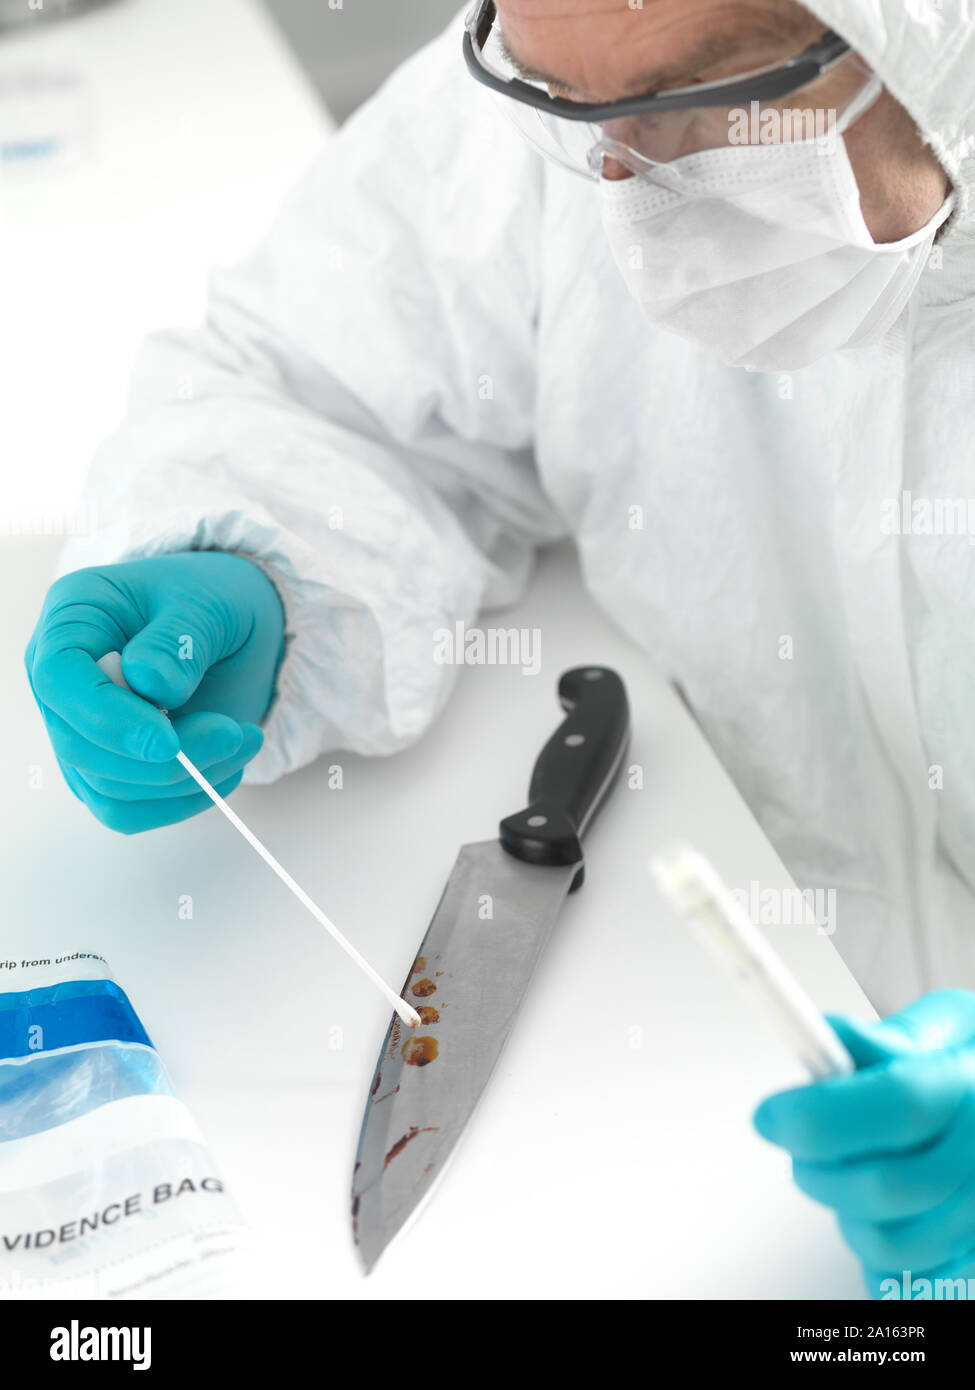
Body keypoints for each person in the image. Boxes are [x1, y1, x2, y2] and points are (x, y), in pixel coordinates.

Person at [23, 0, 975, 1296]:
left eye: (703, 98)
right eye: (561, 100)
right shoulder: (582, 64)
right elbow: (315, 375)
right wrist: (255, 567)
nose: (622, 199)